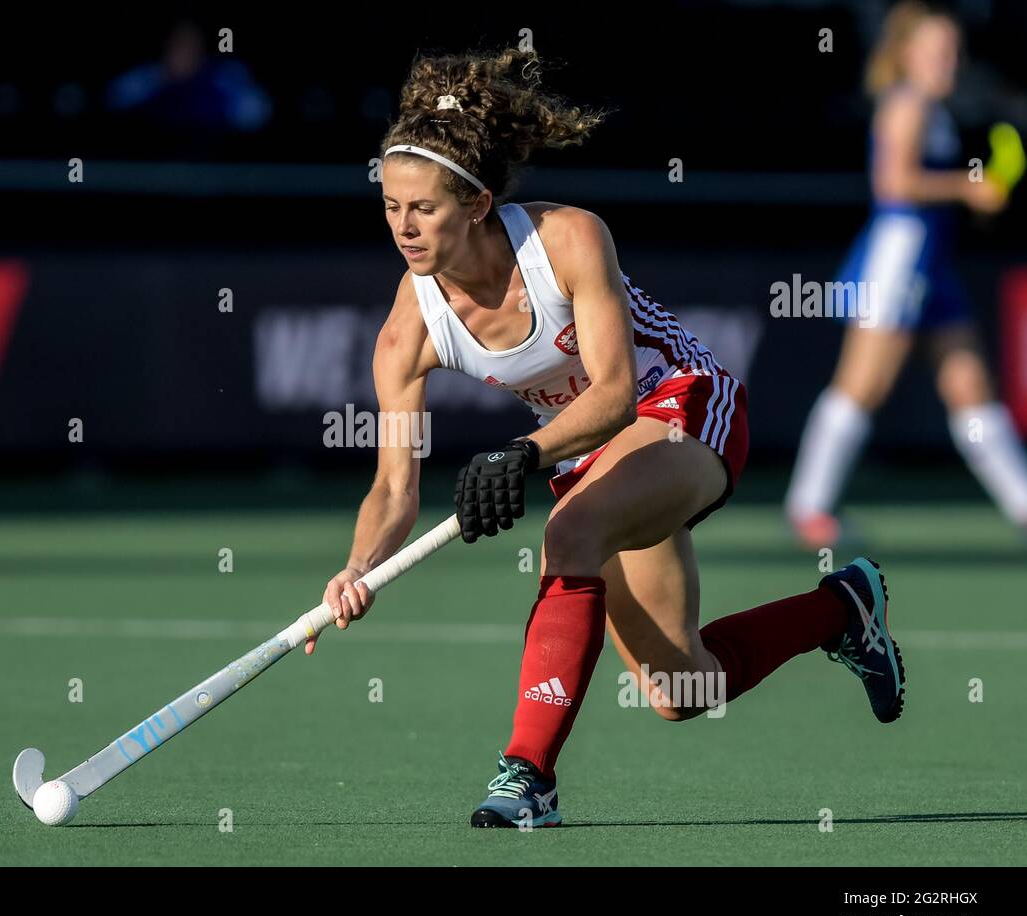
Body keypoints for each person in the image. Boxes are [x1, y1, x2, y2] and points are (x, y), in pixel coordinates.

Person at [312, 48, 906, 828]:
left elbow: (619, 395)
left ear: (479, 204)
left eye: (422, 207)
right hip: (592, 455)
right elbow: (393, 489)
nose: (402, 226)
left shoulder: (566, 240)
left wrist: (523, 454)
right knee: (679, 688)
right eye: (390, 206)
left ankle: (528, 780)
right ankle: (843, 611)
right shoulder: (405, 332)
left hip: (684, 406)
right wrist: (358, 568)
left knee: (571, 529)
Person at [785, 1, 1026, 549]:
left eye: (953, 51)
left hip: (931, 264)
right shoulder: (906, 105)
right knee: (864, 385)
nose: (950, 60)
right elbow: (894, 184)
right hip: (898, 259)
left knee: (971, 388)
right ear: (905, 55)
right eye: (937, 50)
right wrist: (970, 188)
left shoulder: (934, 109)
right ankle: (809, 507)